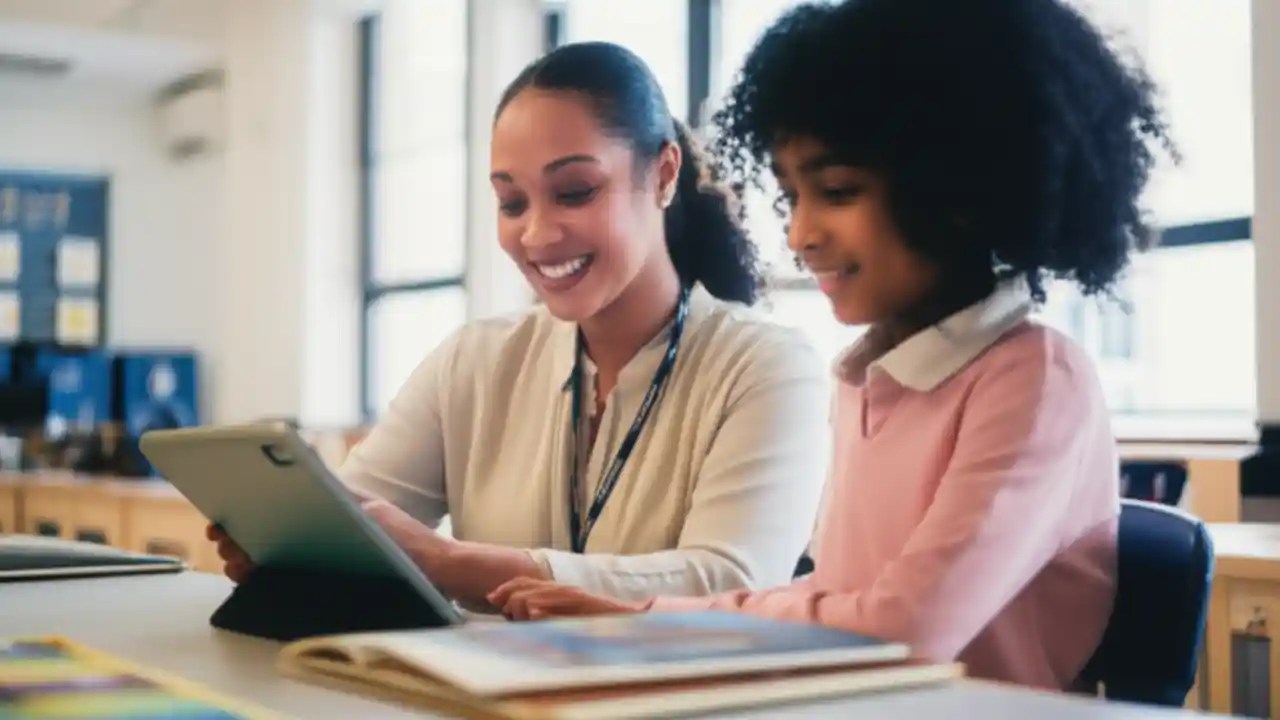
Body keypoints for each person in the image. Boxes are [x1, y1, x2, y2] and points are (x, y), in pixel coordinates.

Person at [490, 0, 1173, 691]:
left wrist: (652, 623)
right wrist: (641, 617)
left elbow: (902, 630)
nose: (799, 235)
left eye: (838, 191)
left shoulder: (1036, 380)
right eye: (790, 198)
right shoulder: (864, 379)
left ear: (955, 188)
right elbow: (837, 603)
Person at [209, 42, 829, 611]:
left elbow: (728, 581)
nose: (535, 234)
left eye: (575, 191)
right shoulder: (477, 359)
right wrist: (296, 551)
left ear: (663, 175)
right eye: (511, 202)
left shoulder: (767, 367)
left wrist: (450, 563)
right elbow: (354, 521)